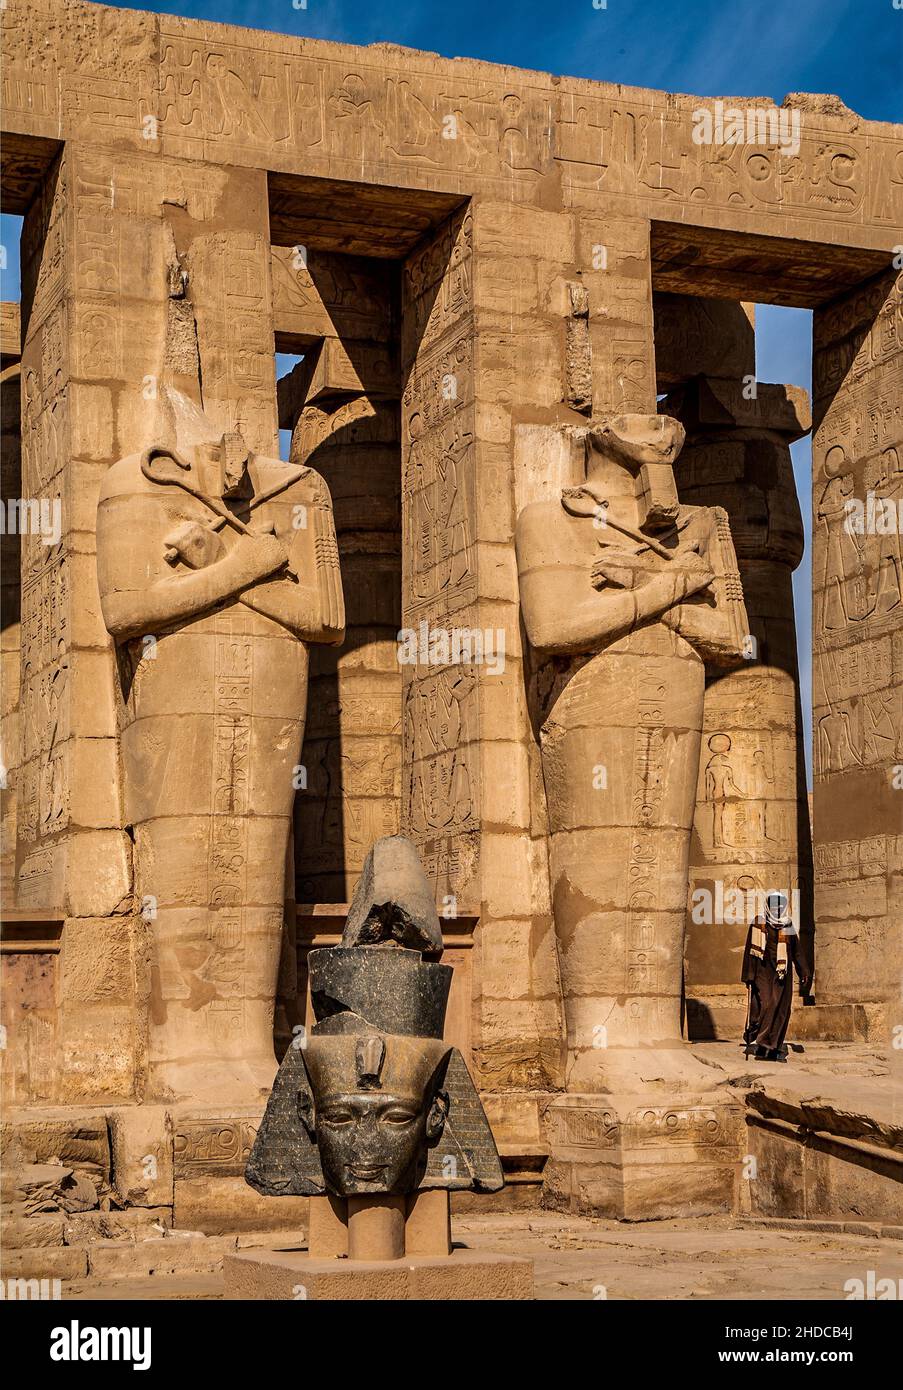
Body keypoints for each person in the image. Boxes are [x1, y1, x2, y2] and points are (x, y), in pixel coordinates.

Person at [742, 892, 811, 1060]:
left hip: (781, 974)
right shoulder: (758, 923)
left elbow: (797, 952)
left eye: (780, 905)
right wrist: (749, 975)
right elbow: (749, 951)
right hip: (762, 972)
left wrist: (804, 971)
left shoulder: (787, 925)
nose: (777, 909)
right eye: (774, 905)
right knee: (765, 1005)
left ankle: (772, 1045)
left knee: (780, 1008)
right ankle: (761, 1041)